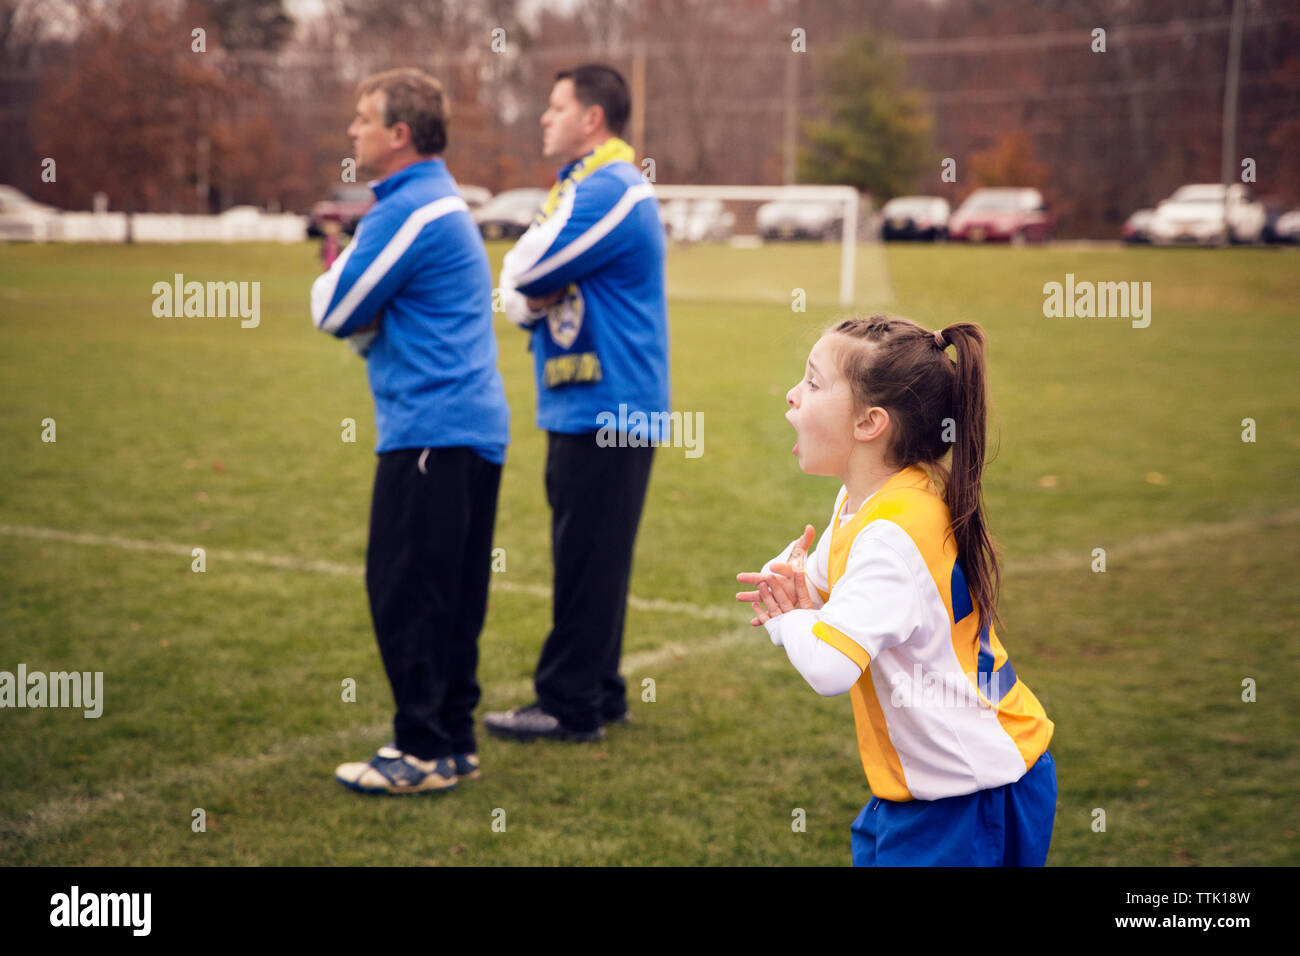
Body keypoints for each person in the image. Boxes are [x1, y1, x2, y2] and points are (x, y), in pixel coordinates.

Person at [735, 315, 1056, 866]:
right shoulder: (869, 502)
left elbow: (830, 668)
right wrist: (789, 585)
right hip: (937, 789)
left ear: (870, 423)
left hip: (970, 794)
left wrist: (786, 620)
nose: (792, 395)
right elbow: (814, 586)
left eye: (812, 383)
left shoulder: (890, 536)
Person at [310, 68, 510, 793]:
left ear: (399, 135)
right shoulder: (434, 202)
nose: (353, 132)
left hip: (430, 430)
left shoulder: (411, 209)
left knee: (408, 589)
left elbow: (335, 310)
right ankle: (453, 740)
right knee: (451, 592)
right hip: (466, 429)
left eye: (364, 120)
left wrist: (329, 276)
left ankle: (421, 751)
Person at [486, 63, 669, 742]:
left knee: (587, 554)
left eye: (555, 106)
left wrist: (520, 286)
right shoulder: (579, 188)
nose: (543, 117)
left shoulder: (613, 187)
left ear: (592, 118)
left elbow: (526, 273)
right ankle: (602, 687)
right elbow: (521, 295)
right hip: (584, 402)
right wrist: (520, 293)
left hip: (610, 407)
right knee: (593, 553)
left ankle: (568, 704)